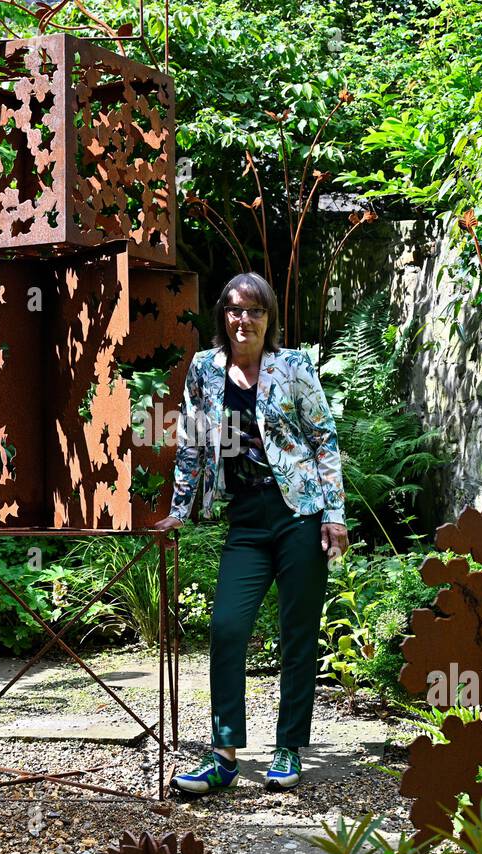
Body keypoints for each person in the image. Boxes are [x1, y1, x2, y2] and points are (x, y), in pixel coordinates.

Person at [154, 272, 348, 794]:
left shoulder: (293, 366)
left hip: (299, 514)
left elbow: (323, 438)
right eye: (236, 310)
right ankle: (223, 755)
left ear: (269, 319)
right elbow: (192, 442)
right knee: (227, 628)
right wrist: (180, 509)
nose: (244, 320)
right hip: (245, 516)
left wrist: (335, 514)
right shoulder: (203, 370)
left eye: (255, 311)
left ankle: (288, 748)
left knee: (297, 633)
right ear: (223, 315)